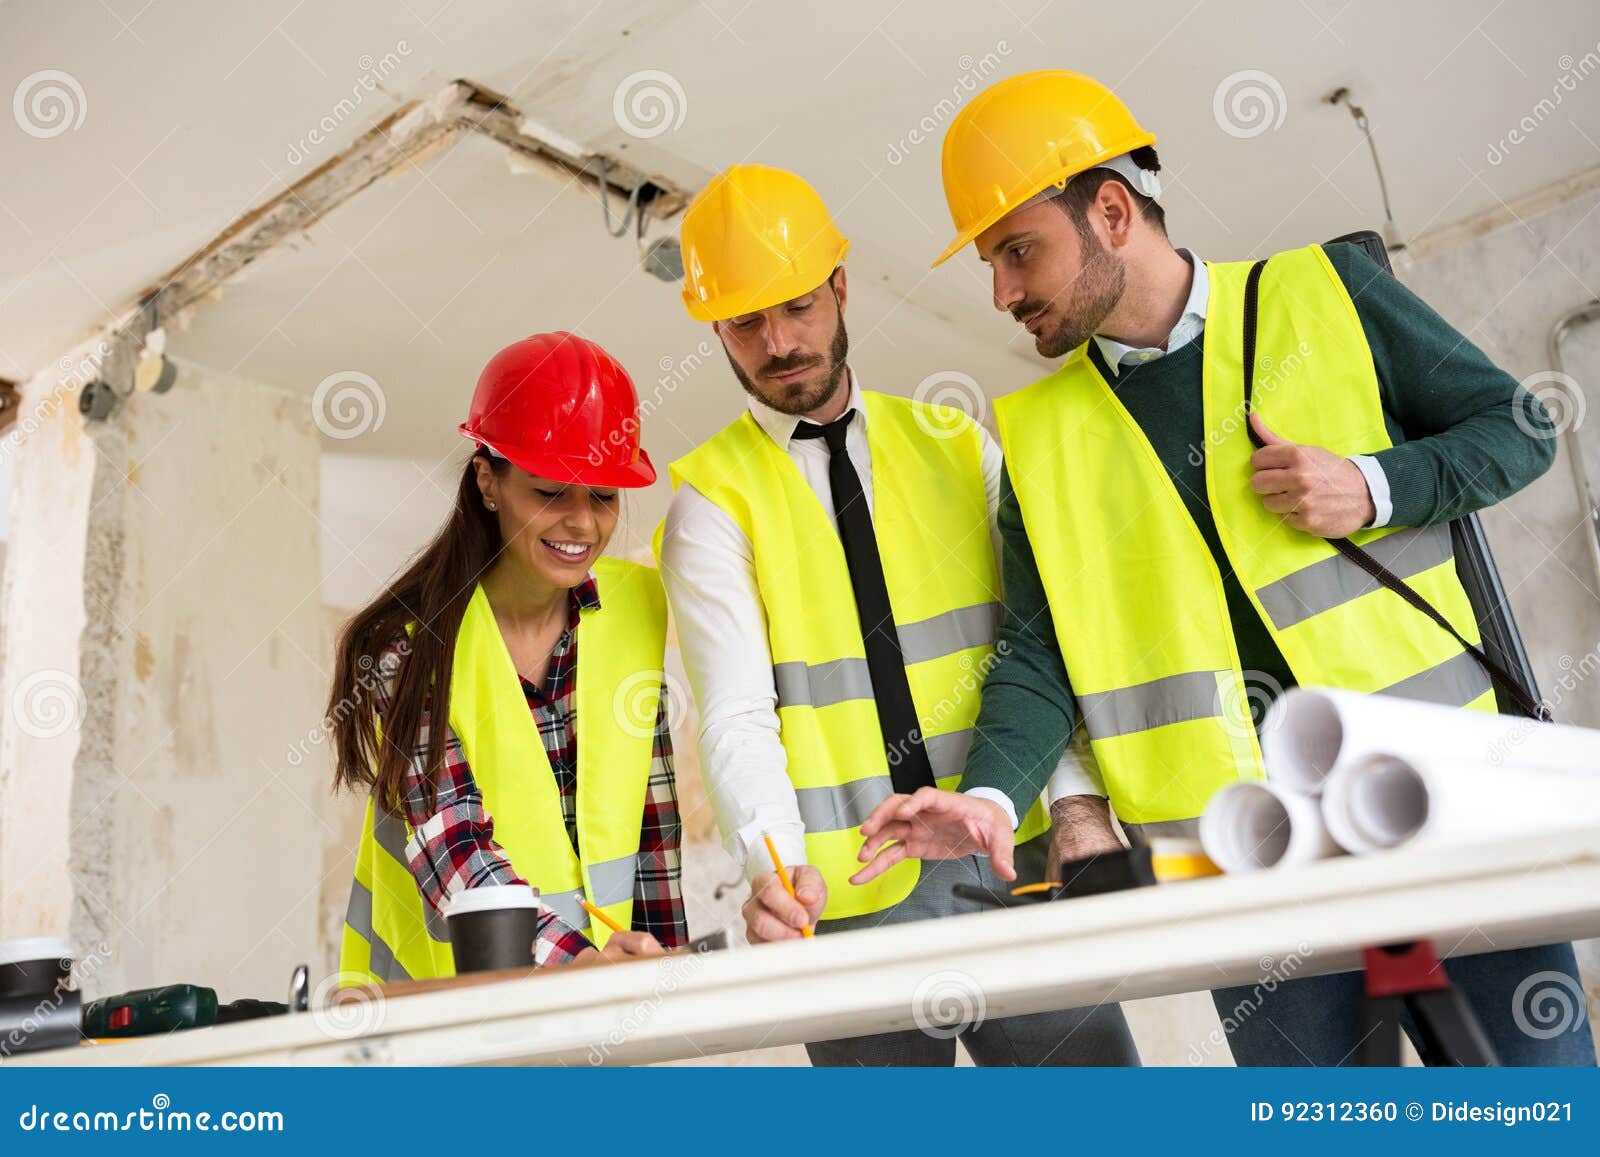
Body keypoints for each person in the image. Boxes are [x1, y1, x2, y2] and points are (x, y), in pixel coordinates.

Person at [855, 69, 1595, 1066]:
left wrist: (1373, 486)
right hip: (1237, 857)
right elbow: (1036, 654)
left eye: (1018, 252)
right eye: (990, 264)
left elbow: (1518, 428)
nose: (1002, 293)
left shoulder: (1323, 291)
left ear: (1111, 211)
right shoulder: (1034, 434)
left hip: (1437, 802)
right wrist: (989, 797)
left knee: (1535, 1101)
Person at [658, 164, 1138, 1066]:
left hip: (1013, 857)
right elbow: (736, 715)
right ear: (717, 331)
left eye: (797, 306)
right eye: (745, 322)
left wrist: (1074, 804)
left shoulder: (959, 443)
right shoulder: (710, 501)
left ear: (841, 287)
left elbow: (1037, 650)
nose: (778, 341)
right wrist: (772, 865)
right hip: (844, 900)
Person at [332, 331, 685, 982]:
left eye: (604, 495)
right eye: (551, 491)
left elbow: (652, 829)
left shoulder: (638, 605)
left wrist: (665, 977)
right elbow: (455, 849)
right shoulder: (404, 650)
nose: (582, 522)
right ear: (488, 481)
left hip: (595, 1011)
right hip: (442, 1022)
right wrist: (580, 964)